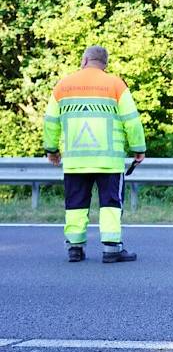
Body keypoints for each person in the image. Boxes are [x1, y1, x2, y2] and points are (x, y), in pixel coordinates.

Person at [42, 46, 145, 263]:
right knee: (110, 204)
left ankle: (75, 248)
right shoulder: (116, 84)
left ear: (85, 59)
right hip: (108, 161)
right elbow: (131, 120)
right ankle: (111, 249)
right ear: (105, 63)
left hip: (76, 161)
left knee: (75, 205)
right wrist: (138, 148)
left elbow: (50, 121)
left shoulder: (63, 85)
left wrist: (51, 150)